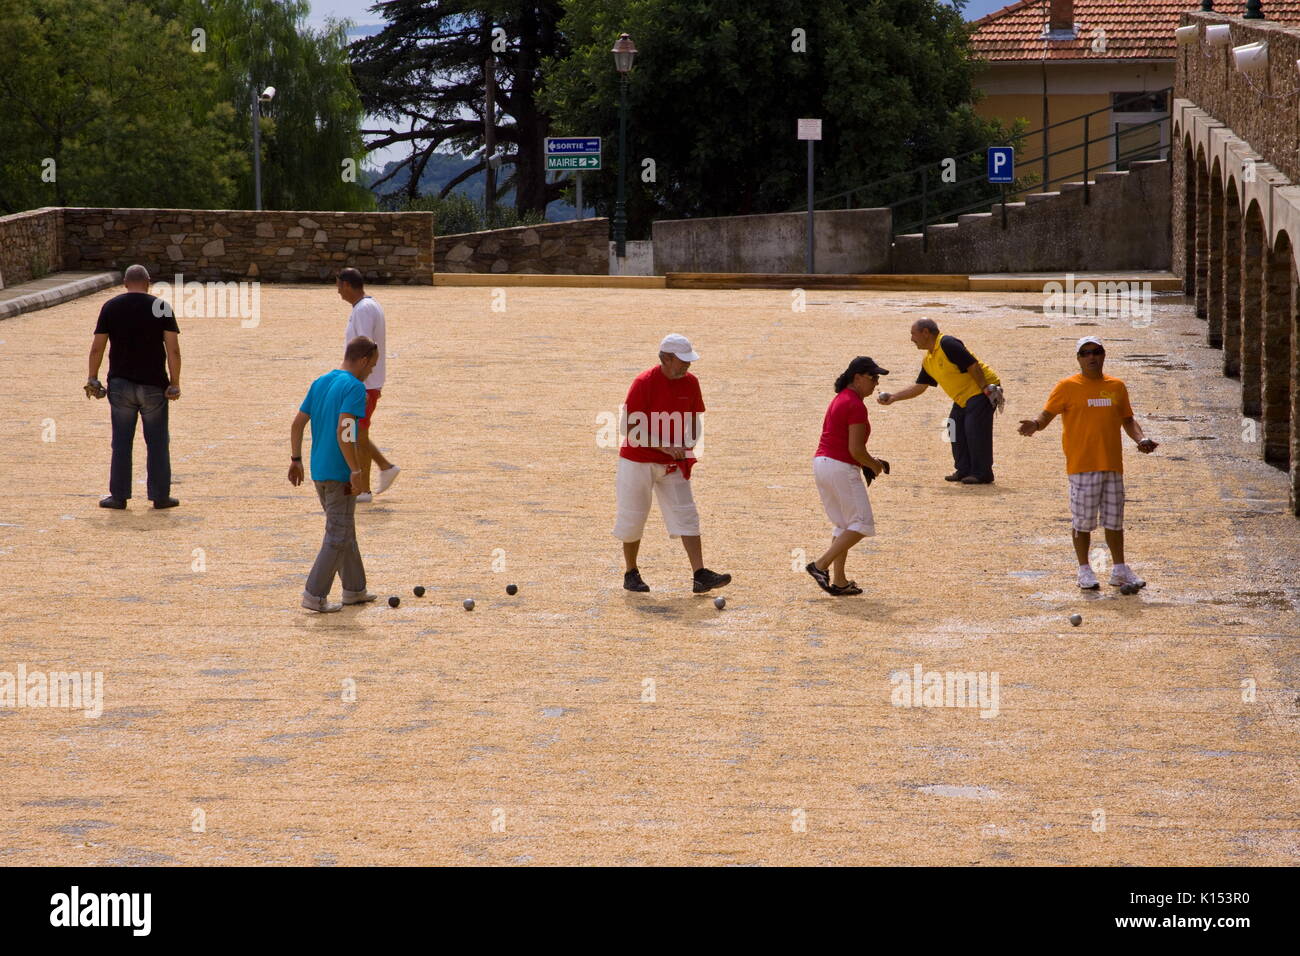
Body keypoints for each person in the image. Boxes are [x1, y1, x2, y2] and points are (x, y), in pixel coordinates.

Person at [1018, 336, 1158, 591]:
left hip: (1112, 464)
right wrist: (1035, 425)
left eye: (1097, 351)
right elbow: (1047, 414)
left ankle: (1119, 570)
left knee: (1115, 521)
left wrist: (1141, 438)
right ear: (1079, 358)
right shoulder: (1067, 386)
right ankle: (1084, 570)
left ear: (1104, 355)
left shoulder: (1117, 386)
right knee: (1082, 522)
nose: (1092, 357)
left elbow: (1127, 419)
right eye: (1086, 353)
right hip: (1082, 465)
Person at [614, 334, 731, 594]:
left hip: (673, 462)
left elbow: (693, 421)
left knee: (687, 513)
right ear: (666, 359)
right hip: (638, 461)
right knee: (634, 516)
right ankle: (630, 572)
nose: (687, 366)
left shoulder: (691, 383)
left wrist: (688, 445)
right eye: (682, 361)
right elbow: (628, 428)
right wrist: (664, 446)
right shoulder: (643, 383)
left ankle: (700, 575)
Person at [289, 336, 381, 613]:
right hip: (339, 473)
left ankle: (354, 589)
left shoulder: (321, 382)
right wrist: (355, 470)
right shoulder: (355, 388)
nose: (372, 372)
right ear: (363, 361)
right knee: (337, 535)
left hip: (318, 470)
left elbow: (297, 424)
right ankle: (314, 594)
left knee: (344, 530)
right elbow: (346, 430)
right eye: (372, 365)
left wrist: (296, 459)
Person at [85, 264, 182, 509]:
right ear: (148, 282)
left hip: (120, 383)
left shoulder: (111, 307)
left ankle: (119, 496)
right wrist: (175, 383)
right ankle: (160, 496)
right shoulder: (161, 307)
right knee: (158, 442)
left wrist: (92, 377)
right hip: (153, 384)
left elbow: (98, 347)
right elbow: (173, 349)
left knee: (121, 442)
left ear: (125, 283)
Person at [876, 318, 1004, 484]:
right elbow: (920, 386)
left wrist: (985, 388)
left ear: (926, 333)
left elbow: (972, 365)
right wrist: (894, 397)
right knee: (954, 427)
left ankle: (982, 473)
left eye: (913, 334)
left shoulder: (947, 343)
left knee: (975, 430)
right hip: (962, 397)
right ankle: (964, 469)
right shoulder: (929, 359)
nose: (911, 339)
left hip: (981, 391)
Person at [806, 356, 891, 596]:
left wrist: (867, 462)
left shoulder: (841, 398)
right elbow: (856, 450)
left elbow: (850, 446)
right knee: (862, 524)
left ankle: (840, 581)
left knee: (843, 525)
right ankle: (819, 565)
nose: (876, 383)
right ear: (857, 378)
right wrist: (873, 465)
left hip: (823, 464)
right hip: (840, 467)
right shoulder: (855, 404)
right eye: (872, 377)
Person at [337, 268, 399, 503]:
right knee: (355, 432)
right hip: (366, 381)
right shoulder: (368, 306)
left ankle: (378, 473)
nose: (338, 293)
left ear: (346, 285)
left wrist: (356, 383)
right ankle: (365, 486)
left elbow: (363, 348)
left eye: (338, 287)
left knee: (355, 433)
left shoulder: (363, 309)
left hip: (363, 382)